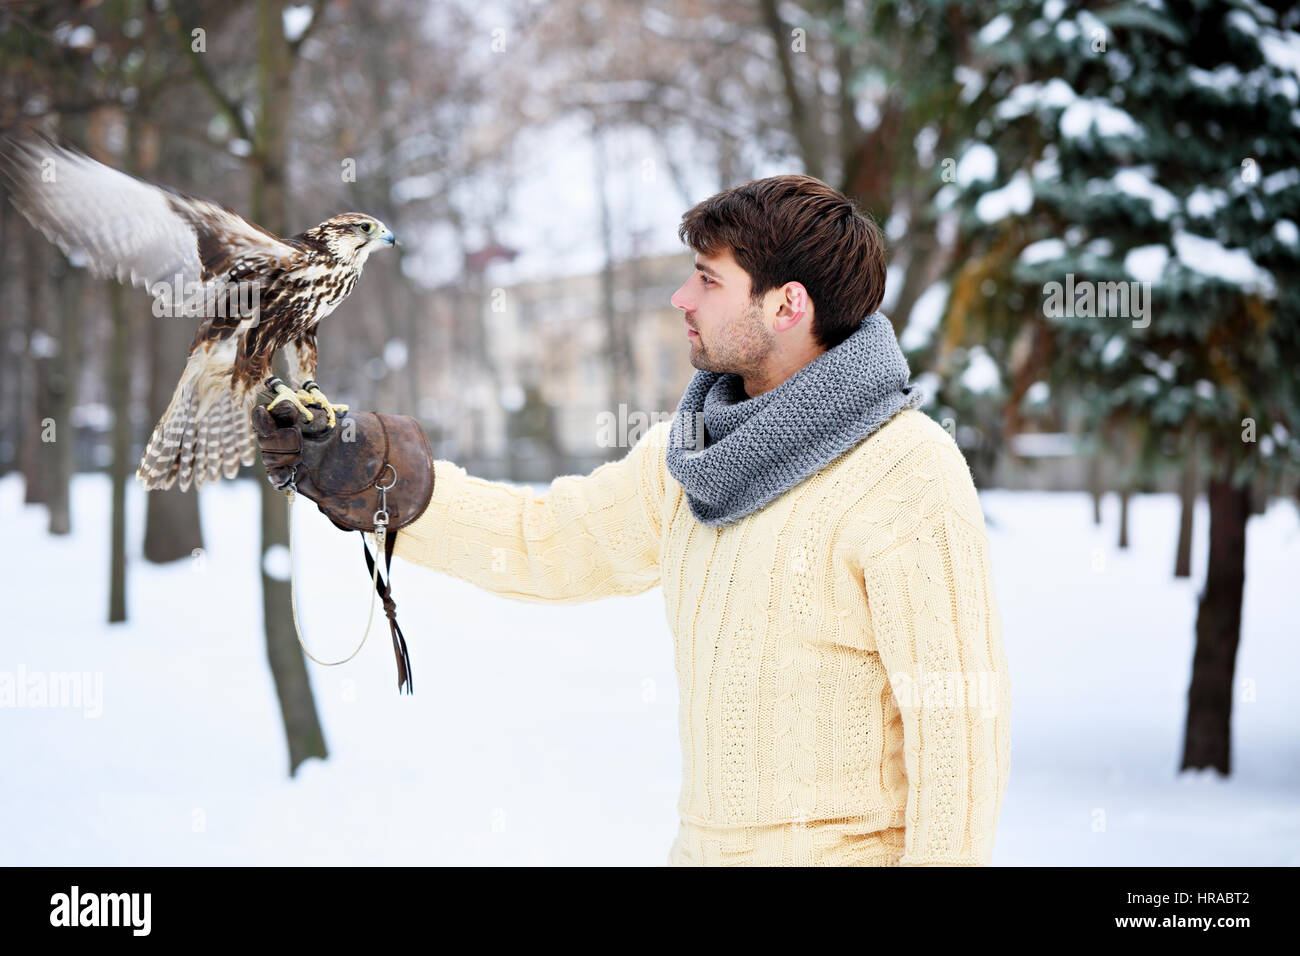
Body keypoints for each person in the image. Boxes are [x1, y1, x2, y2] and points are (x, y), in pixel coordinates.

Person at [253, 174, 1012, 866]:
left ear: (788, 304)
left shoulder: (907, 471)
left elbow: (961, 742)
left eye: (709, 280)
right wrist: (391, 487)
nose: (682, 298)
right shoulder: (692, 458)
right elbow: (549, 542)